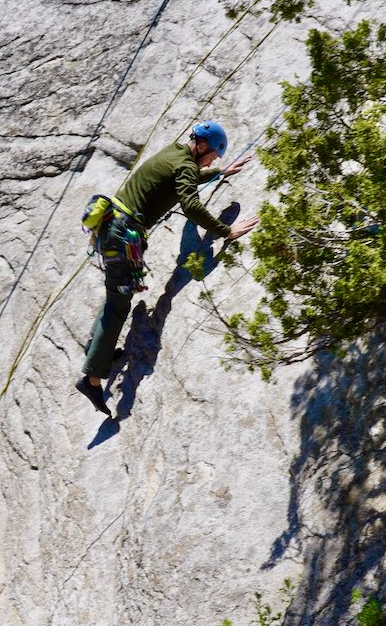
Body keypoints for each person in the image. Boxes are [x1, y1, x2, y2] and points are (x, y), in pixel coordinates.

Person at [76, 120, 260, 415]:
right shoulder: (186, 167)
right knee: (117, 305)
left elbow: (181, 178)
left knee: (115, 299)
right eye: (213, 155)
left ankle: (100, 354)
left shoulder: (174, 152)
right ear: (201, 146)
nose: (213, 159)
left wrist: (219, 172)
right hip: (123, 236)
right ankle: (92, 380)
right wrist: (227, 232)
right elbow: (191, 205)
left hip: (113, 229)